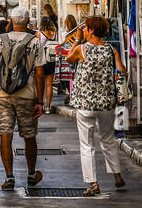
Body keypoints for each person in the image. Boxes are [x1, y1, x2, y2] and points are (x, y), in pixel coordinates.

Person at [0, 6, 46, 190]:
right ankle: (32, 174)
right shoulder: (35, 42)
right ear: (27, 22)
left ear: (11, 20)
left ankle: (9, 177)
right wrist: (40, 101)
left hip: (3, 95)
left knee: (5, 135)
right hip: (26, 95)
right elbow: (40, 73)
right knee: (29, 135)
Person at [65, 16, 126, 196]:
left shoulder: (81, 49)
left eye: (85, 28)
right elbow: (122, 70)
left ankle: (93, 184)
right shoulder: (111, 50)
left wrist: (76, 39)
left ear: (91, 30)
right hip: (106, 103)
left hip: (85, 103)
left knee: (87, 144)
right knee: (108, 139)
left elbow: (69, 58)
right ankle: (117, 176)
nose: (82, 30)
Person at [39, 19, 59, 114]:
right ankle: (48, 107)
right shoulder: (54, 33)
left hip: (42, 61)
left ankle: (41, 104)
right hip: (52, 60)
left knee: (41, 84)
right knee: (49, 84)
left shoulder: (40, 34)